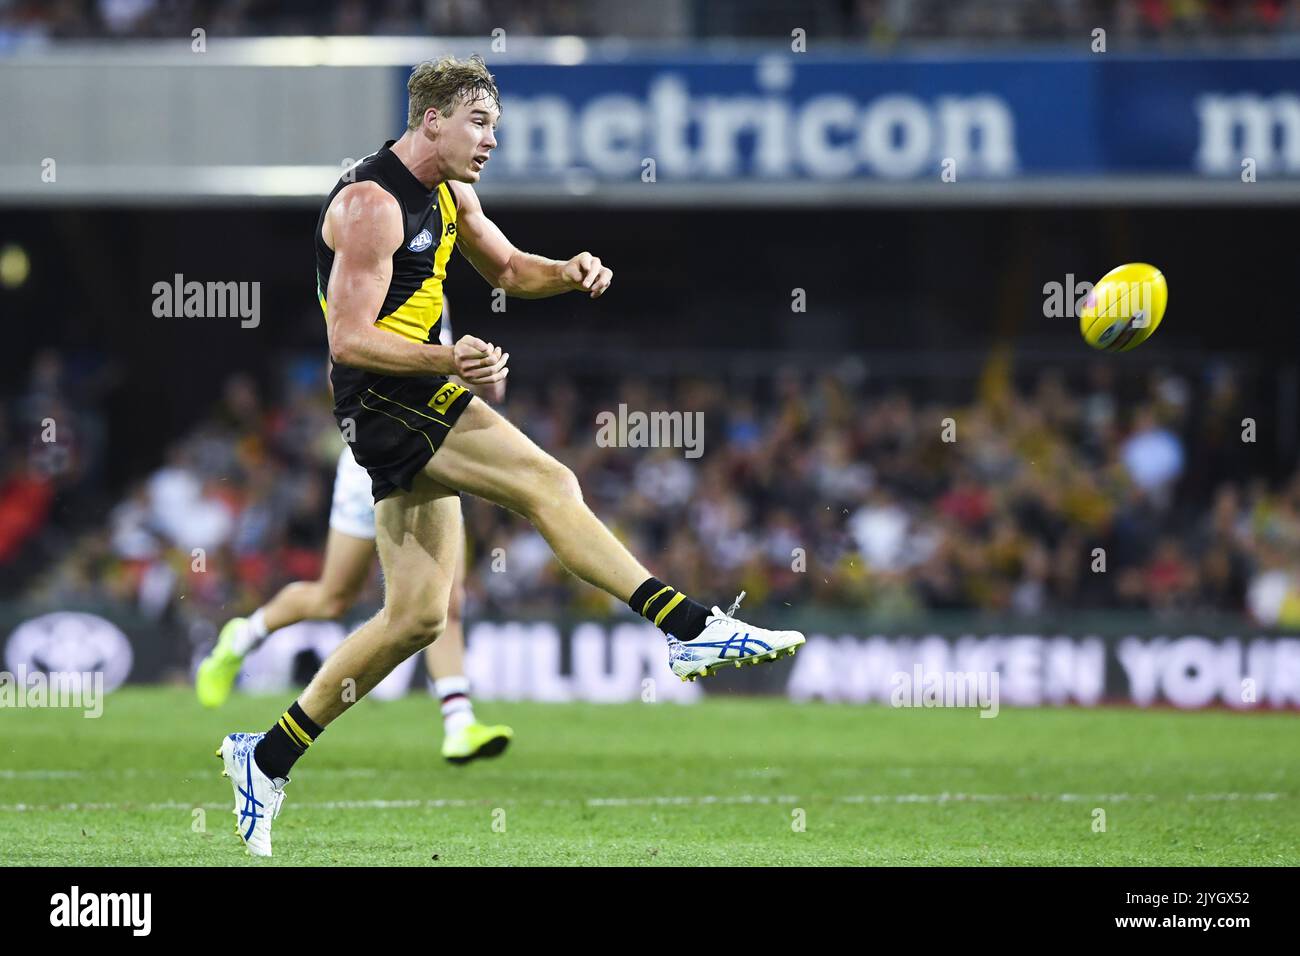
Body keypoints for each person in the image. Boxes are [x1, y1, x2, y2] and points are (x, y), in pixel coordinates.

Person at [216, 54, 803, 857]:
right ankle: (687, 624)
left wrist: (566, 272)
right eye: (480, 123)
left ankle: (266, 755)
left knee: (416, 617)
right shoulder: (370, 205)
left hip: (410, 392)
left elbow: (508, 268)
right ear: (432, 120)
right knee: (549, 482)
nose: (492, 140)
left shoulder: (452, 193)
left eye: (495, 124)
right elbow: (348, 338)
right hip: (385, 399)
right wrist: (446, 359)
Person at [197, 301, 513, 765]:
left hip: (430, 448)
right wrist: (430, 370)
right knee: (333, 597)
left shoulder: (434, 285)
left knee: (448, 599)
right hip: (373, 453)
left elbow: (468, 380)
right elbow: (341, 371)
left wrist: (483, 374)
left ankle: (458, 722)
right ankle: (241, 638)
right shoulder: (373, 272)